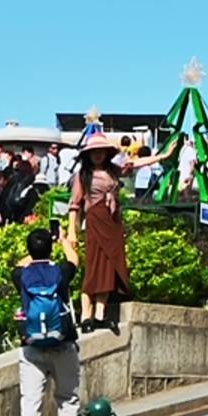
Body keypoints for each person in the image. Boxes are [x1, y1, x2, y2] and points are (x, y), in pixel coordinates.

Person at [11, 227, 81, 416]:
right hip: (63, 342)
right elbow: (74, 259)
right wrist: (61, 240)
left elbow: (19, 266)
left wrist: (34, 252)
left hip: (31, 347)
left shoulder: (21, 275)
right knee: (67, 396)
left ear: (29, 250)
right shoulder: (60, 272)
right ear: (50, 249)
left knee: (30, 401)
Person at [68, 140, 131, 333]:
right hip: (95, 221)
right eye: (93, 152)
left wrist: (163, 156)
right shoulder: (83, 175)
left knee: (108, 269)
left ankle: (100, 315)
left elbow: (136, 163)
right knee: (93, 268)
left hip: (112, 222)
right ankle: (86, 316)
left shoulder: (113, 171)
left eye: (101, 151)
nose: (97, 155)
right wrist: (72, 231)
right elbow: (75, 204)